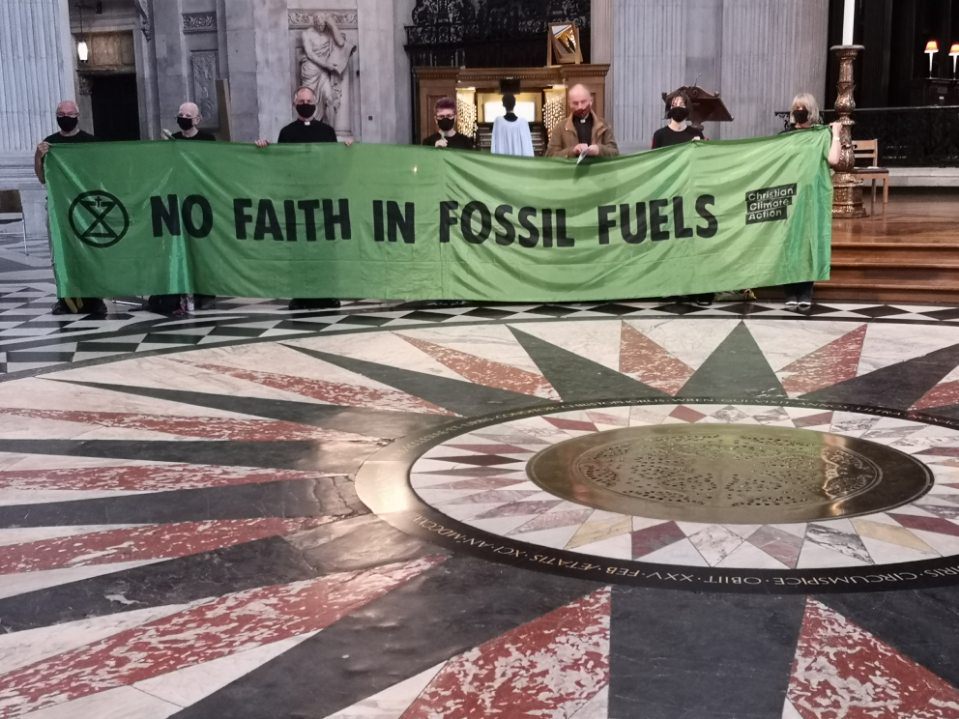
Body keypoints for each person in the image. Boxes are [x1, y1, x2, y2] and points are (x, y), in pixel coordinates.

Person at [256, 86, 347, 310]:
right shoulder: (287, 133)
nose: (305, 104)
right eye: (301, 101)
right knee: (298, 248)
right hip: (297, 199)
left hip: (322, 198)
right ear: (294, 104)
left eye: (309, 101)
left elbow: (335, 163)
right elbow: (279, 164)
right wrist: (264, 149)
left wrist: (348, 150)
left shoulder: (327, 131)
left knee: (325, 247)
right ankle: (300, 294)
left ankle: (328, 293)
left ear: (316, 103)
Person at [34, 100, 107, 316]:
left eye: (69, 113)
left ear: (77, 115)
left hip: (86, 208)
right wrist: (38, 156)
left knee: (90, 252)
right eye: (61, 113)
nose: (65, 117)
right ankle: (65, 298)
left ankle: (94, 298)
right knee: (60, 253)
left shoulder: (90, 143)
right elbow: (42, 178)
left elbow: (100, 173)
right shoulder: (50, 143)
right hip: (59, 208)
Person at [146, 102, 216, 315]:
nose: (183, 118)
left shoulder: (208, 140)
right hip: (177, 201)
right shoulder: (173, 140)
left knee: (202, 248)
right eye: (180, 115)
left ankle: (205, 292)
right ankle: (177, 290)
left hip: (200, 200)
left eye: (188, 115)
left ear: (197, 119)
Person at [779, 93, 843, 310]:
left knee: (809, 242)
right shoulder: (785, 137)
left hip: (812, 198)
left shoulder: (820, 135)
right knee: (789, 242)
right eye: (796, 108)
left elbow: (834, 159)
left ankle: (805, 291)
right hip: (790, 197)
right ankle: (790, 290)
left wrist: (836, 134)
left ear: (812, 111)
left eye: (803, 108)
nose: (799, 111)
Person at [650, 90, 713, 306]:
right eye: (674, 104)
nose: (678, 107)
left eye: (682, 104)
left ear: (688, 109)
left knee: (693, 243)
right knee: (671, 242)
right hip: (669, 196)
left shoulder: (695, 134)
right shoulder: (660, 135)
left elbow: (704, 164)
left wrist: (701, 148)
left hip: (691, 196)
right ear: (669, 108)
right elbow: (653, 165)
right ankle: (672, 286)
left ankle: (695, 288)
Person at [545, 83, 619, 159]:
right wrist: (572, 151)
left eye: (583, 102)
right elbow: (550, 155)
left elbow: (615, 153)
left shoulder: (603, 125)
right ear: (569, 103)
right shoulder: (560, 128)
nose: (580, 107)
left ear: (591, 101)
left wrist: (599, 150)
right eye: (575, 103)